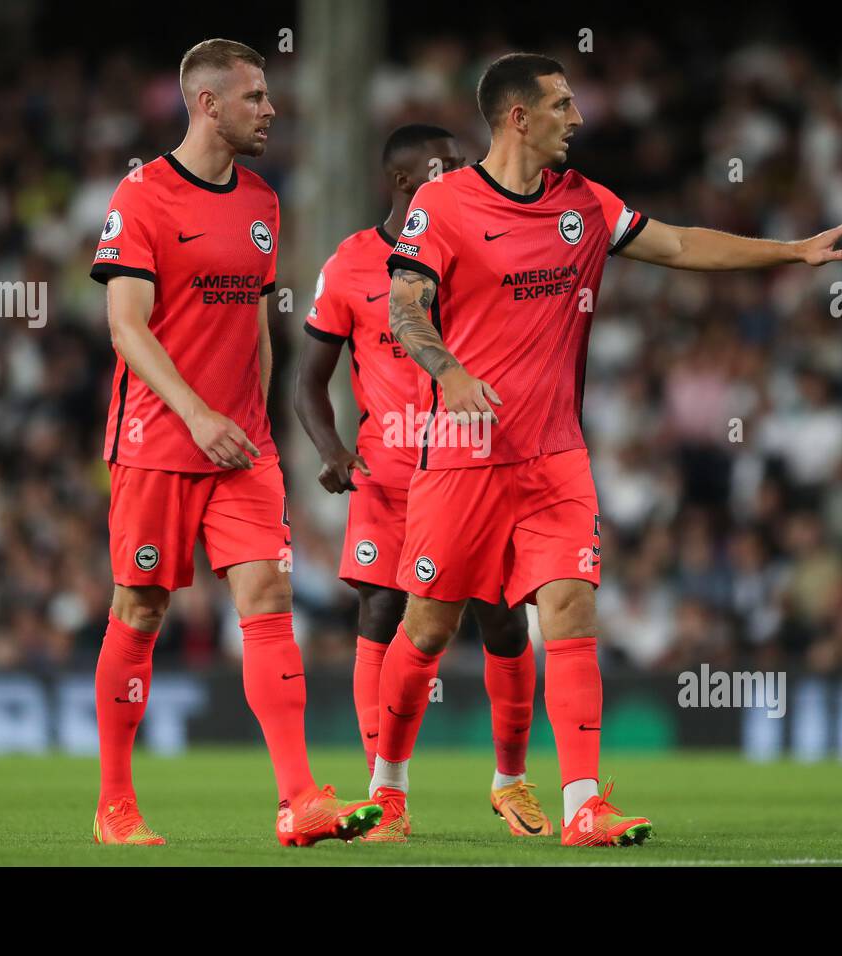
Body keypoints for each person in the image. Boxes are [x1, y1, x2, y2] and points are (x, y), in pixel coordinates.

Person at [374, 52, 842, 847]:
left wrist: (788, 251)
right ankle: (389, 790)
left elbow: (677, 247)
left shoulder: (584, 204)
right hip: (463, 449)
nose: (578, 117)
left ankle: (583, 806)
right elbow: (406, 310)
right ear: (518, 118)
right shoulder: (446, 202)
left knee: (570, 608)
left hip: (554, 455)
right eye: (562, 104)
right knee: (428, 630)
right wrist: (450, 369)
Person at [88, 38, 379, 848]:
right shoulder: (141, 195)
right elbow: (125, 326)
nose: (270, 108)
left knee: (269, 599)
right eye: (255, 96)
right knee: (140, 607)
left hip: (241, 449)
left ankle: (300, 798)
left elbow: (254, 319)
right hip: (157, 441)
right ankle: (116, 804)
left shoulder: (262, 200)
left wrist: (260, 425)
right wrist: (194, 414)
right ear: (208, 103)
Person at [294, 124, 549, 841]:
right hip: (390, 473)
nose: (467, 176)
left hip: (474, 461)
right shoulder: (348, 265)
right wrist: (332, 449)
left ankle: (510, 782)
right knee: (381, 612)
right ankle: (386, 793)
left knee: (500, 617)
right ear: (405, 182)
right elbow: (307, 380)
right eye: (450, 168)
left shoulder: (482, 242)